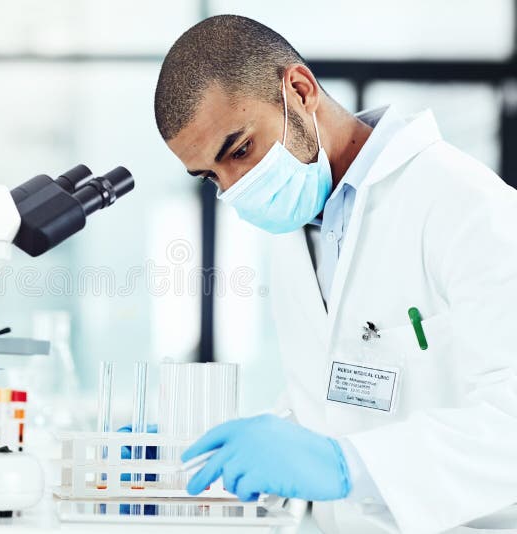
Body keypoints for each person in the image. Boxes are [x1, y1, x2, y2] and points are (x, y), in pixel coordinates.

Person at [153, 14, 517, 534]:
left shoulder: (469, 208)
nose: (235, 189)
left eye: (239, 150)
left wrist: (347, 467)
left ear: (299, 90)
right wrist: (209, 446)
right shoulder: (297, 224)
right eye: (212, 175)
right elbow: (330, 411)